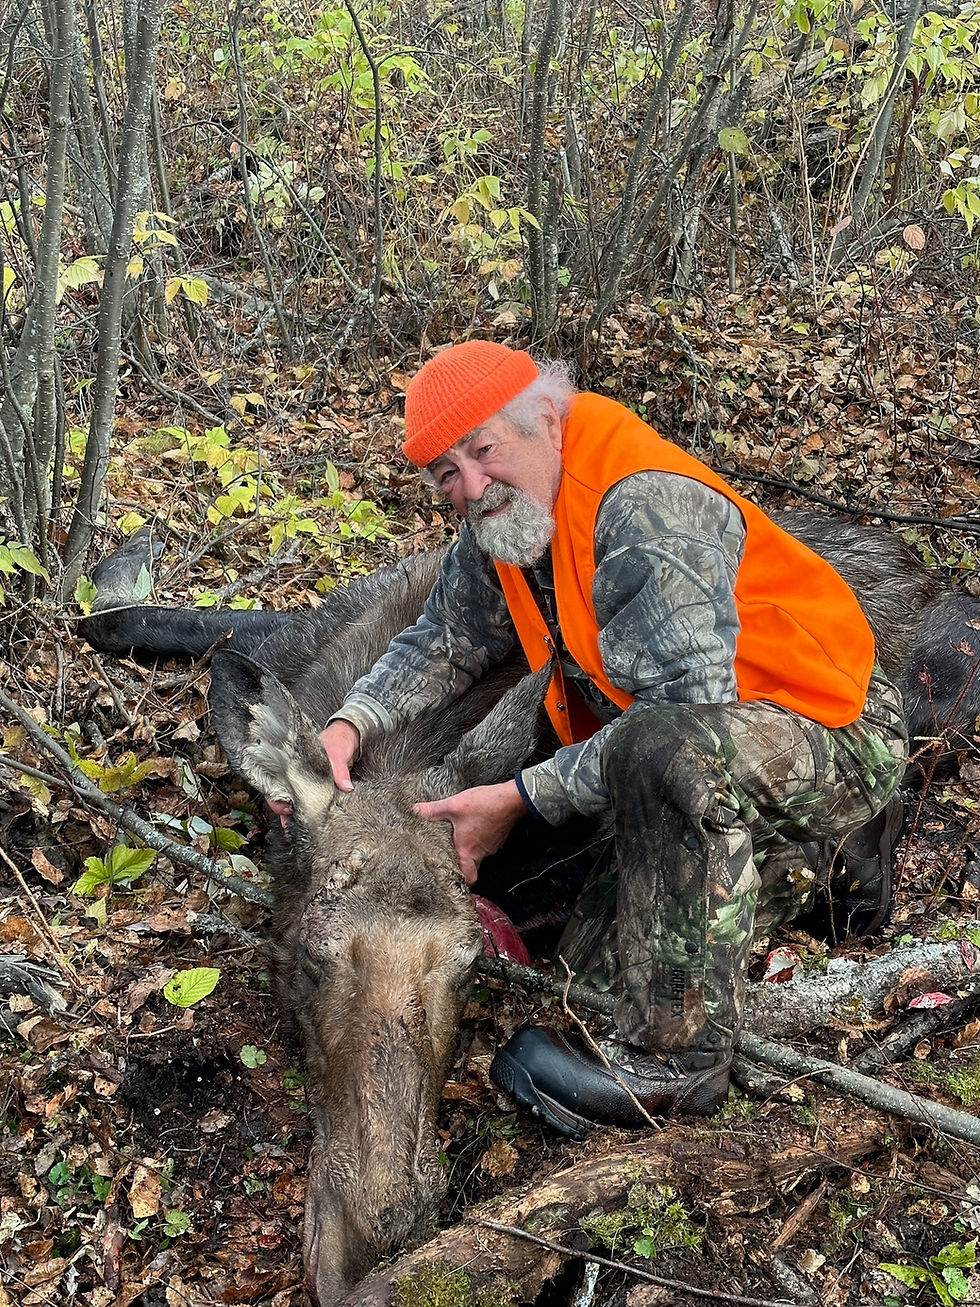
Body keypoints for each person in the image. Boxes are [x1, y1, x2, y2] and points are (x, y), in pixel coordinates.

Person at [319, 340, 908, 1138]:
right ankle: (821, 862)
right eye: (448, 473)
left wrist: (520, 797)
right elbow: (444, 638)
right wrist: (353, 721)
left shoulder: (642, 505)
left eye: (484, 450)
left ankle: (680, 1058)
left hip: (831, 725)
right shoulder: (507, 523)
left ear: (546, 420)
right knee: (584, 978)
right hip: (717, 746)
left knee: (663, 759)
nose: (472, 484)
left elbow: (684, 721)